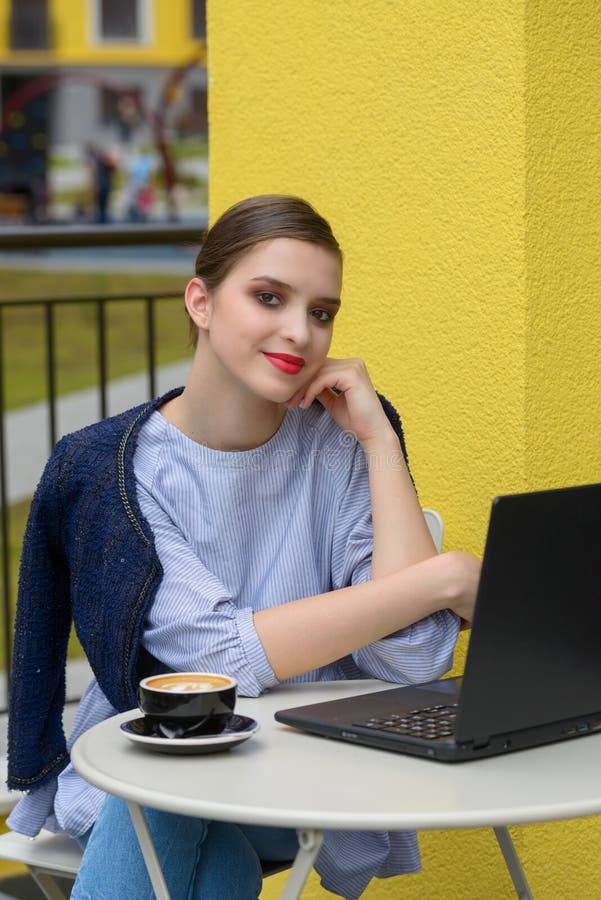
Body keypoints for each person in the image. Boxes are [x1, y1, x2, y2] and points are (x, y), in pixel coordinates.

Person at [7, 195, 481, 899]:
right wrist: (444, 582)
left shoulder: (343, 446)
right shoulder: (111, 468)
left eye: (321, 313)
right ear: (200, 301)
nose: (300, 332)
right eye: (269, 297)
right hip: (143, 775)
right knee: (195, 816)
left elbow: (408, 655)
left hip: (302, 773)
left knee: (176, 789)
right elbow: (215, 660)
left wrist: (379, 439)